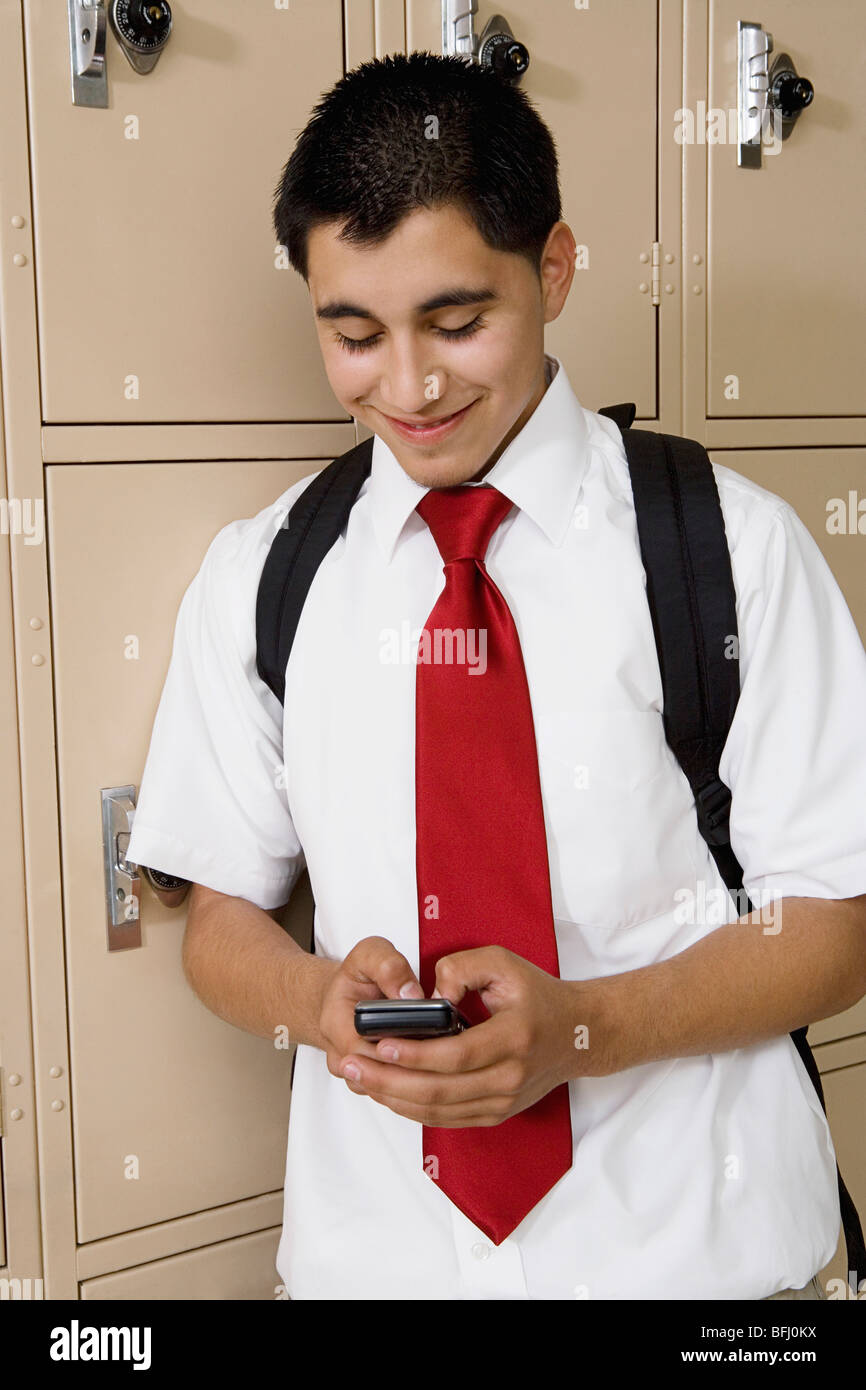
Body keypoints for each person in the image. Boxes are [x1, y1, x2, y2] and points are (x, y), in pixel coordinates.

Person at [125, 51, 866, 1301]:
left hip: (707, 1273)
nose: (409, 386)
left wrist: (581, 1029)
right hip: (379, 1272)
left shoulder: (725, 547)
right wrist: (314, 1001)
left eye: (458, 322)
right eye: (352, 334)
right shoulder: (265, 575)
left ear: (555, 268)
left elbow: (836, 927)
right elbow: (220, 926)